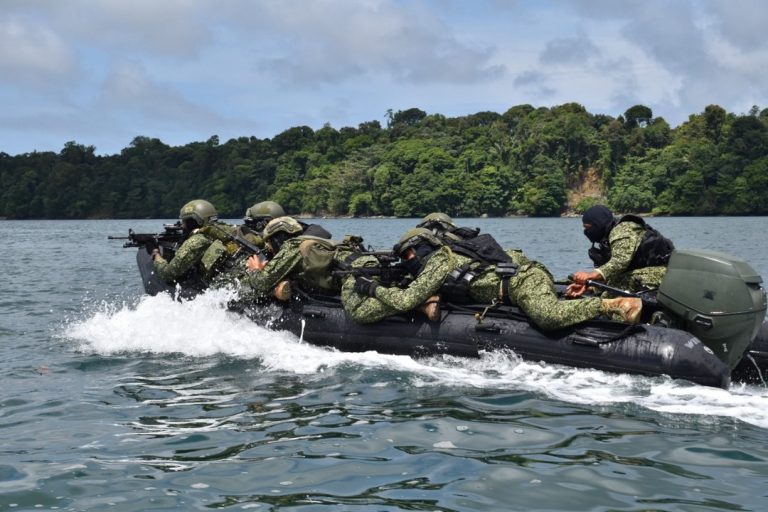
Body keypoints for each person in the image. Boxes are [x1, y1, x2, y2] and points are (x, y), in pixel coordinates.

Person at [344, 228, 642, 329]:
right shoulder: (447, 257)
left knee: (547, 317)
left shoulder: (437, 262)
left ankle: (613, 306)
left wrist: (372, 288)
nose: (409, 265)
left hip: (520, 283)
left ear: (421, 249)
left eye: (409, 257)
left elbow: (407, 298)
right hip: (519, 278)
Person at [241, 216, 369, 302]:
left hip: (355, 276)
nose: (269, 248)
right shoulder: (312, 241)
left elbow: (262, 283)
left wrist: (255, 270)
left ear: (277, 238)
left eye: (269, 242)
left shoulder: (292, 247)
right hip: (361, 268)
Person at [566, 205, 674, 298]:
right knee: (610, 287)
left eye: (587, 228)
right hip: (642, 271)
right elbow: (614, 273)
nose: (586, 232)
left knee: (609, 295)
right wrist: (592, 286)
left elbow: (620, 262)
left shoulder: (622, 230)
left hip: (661, 273)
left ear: (597, 224)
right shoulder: (607, 238)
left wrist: (591, 275)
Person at [151, 199, 235, 285]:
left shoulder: (197, 240)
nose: (182, 225)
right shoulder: (223, 232)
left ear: (195, 220)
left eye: (184, 221)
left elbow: (167, 273)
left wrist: (156, 254)